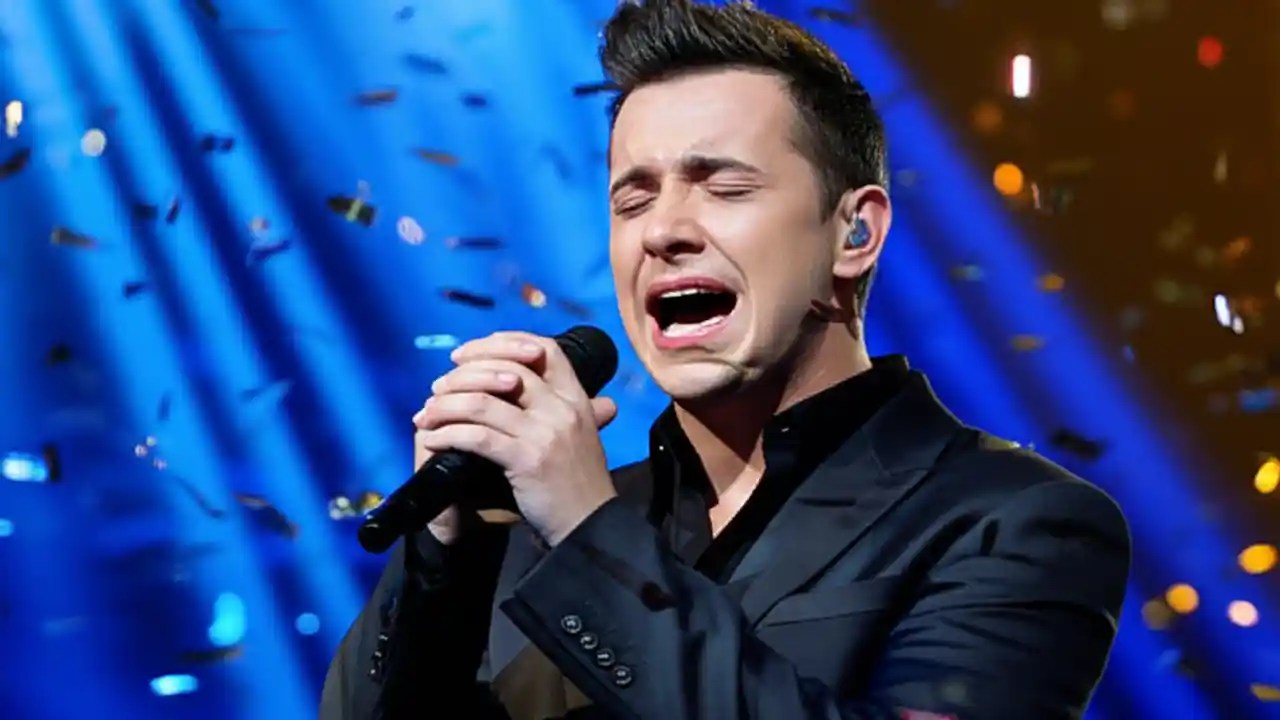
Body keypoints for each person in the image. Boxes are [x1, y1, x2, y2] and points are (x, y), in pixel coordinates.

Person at [320, 1, 1131, 718]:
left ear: (855, 233)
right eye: (633, 198)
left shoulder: (1013, 522)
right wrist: (443, 561)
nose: (662, 230)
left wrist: (584, 537)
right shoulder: (528, 532)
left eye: (722, 187)